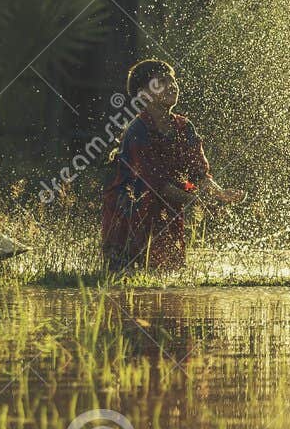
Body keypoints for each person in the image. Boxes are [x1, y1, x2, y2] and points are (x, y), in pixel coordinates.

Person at [101, 58, 247, 273]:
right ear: (144, 94)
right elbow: (153, 185)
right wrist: (196, 201)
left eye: (173, 80)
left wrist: (219, 194)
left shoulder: (184, 127)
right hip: (129, 210)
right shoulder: (137, 131)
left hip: (167, 206)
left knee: (169, 275)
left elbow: (199, 173)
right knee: (124, 277)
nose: (172, 85)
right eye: (162, 81)